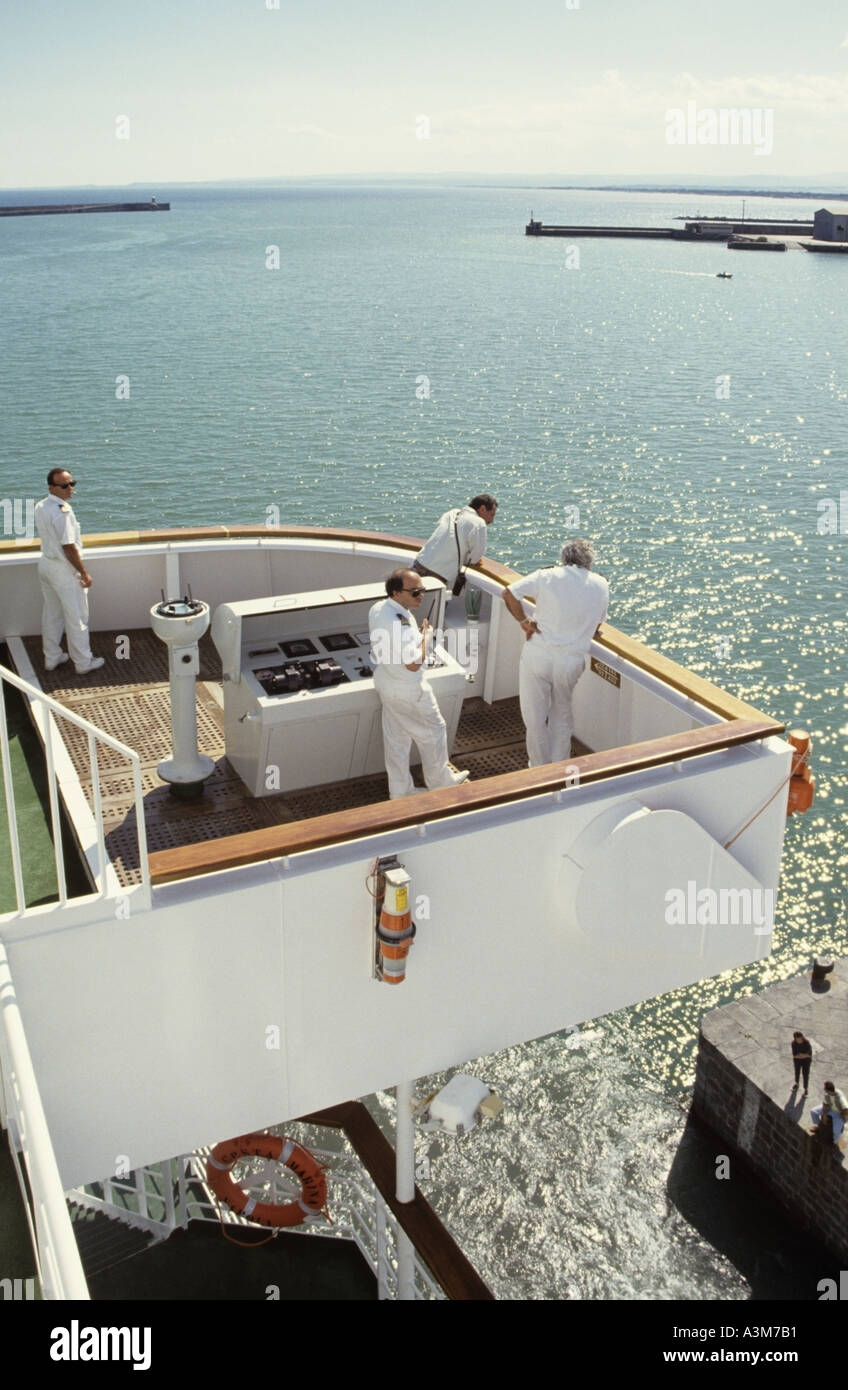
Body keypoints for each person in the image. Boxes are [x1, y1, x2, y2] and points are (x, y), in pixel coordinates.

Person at [503, 538, 608, 767]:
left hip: (538, 654)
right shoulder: (601, 584)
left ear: (564, 558)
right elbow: (597, 625)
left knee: (534, 717)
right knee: (561, 712)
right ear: (589, 562)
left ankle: (538, 768)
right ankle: (559, 768)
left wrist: (524, 622)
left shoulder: (547, 575)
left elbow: (509, 593)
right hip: (571, 660)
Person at [369, 569, 471, 799]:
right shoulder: (402, 624)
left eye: (422, 590)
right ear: (396, 593)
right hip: (409, 690)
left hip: (386, 682)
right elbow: (414, 664)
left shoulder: (378, 609)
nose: (421, 595)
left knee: (397, 740)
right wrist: (426, 636)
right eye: (415, 592)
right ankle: (441, 785)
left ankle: (400, 791)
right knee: (434, 731)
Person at [33, 469, 104, 675]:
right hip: (64, 570)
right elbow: (69, 547)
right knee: (77, 617)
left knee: (52, 614)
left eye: (72, 483)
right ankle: (83, 662)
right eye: (64, 485)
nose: (70, 488)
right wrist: (84, 572)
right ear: (51, 488)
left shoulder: (41, 505)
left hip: (46, 564)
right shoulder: (62, 512)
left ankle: (52, 657)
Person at [413, 494, 498, 590]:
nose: (492, 520)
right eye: (492, 515)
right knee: (428, 600)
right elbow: (475, 558)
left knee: (406, 598)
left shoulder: (451, 513)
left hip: (420, 562)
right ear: (482, 509)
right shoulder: (479, 523)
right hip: (439, 573)